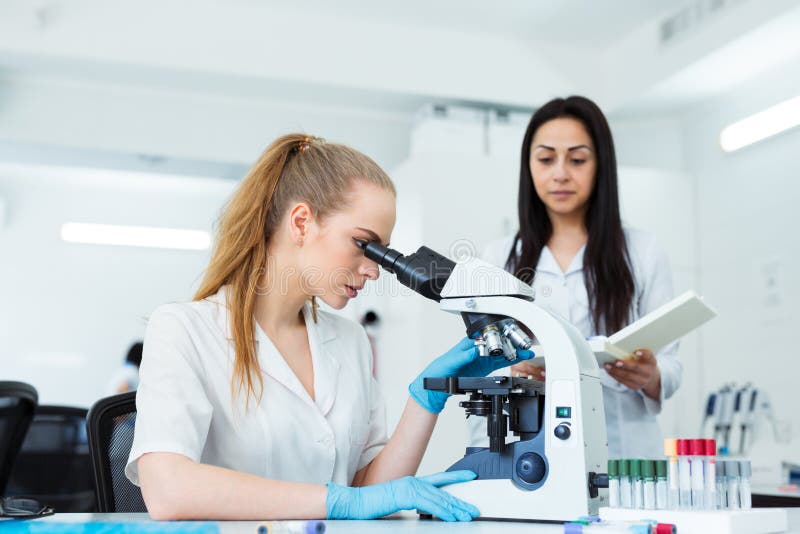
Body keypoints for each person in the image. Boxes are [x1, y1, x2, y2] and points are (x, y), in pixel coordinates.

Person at [125, 134, 532, 521]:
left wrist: (425, 399)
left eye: (382, 252)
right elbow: (167, 488)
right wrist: (339, 501)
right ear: (301, 223)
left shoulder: (350, 340)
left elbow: (370, 493)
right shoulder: (184, 329)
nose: (374, 270)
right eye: (363, 244)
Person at [469, 96, 681, 458]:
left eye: (578, 159)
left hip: (625, 456)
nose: (561, 173)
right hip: (534, 451)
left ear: (600, 165)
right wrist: (513, 368)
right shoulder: (498, 258)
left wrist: (650, 375)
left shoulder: (643, 251)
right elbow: (480, 362)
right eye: (546, 158)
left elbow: (671, 365)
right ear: (529, 167)